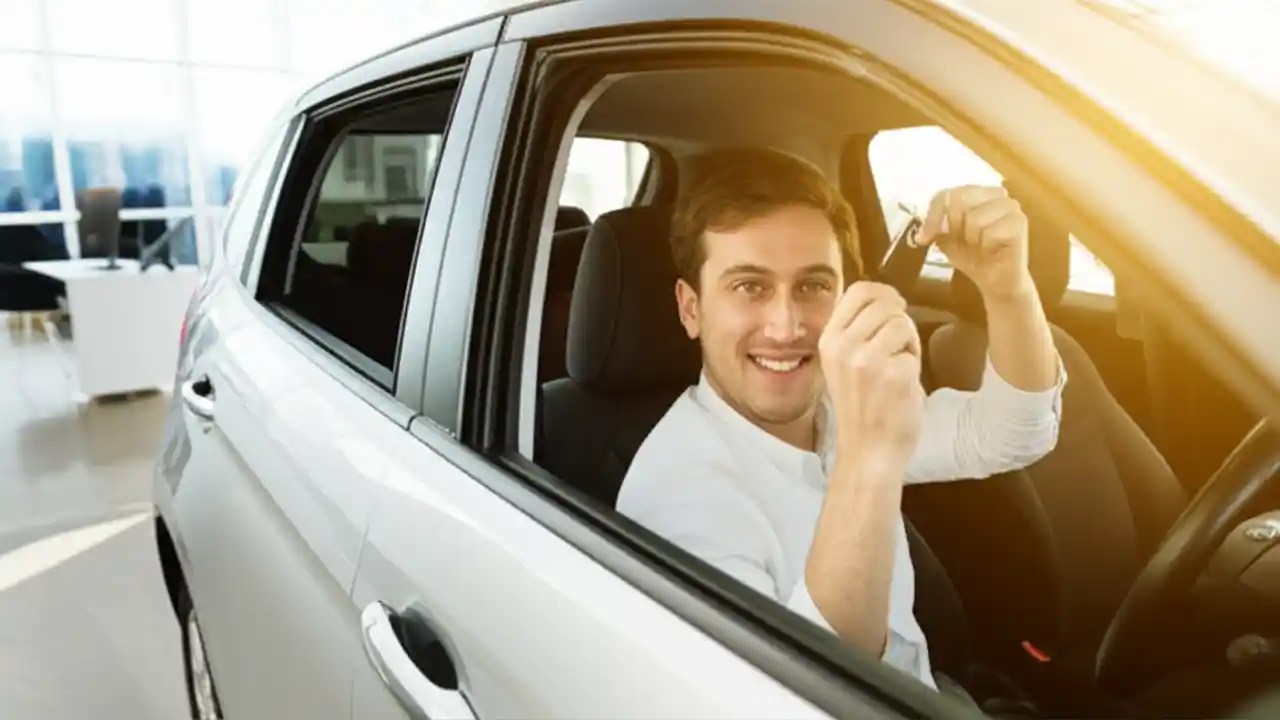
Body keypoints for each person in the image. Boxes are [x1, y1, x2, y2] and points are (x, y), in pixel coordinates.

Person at [616, 147, 1065, 691]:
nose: (785, 327)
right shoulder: (677, 497)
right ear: (691, 308)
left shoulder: (835, 406)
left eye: (813, 286)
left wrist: (1008, 289)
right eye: (749, 287)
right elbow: (800, 696)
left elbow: (1014, 432)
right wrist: (868, 457)